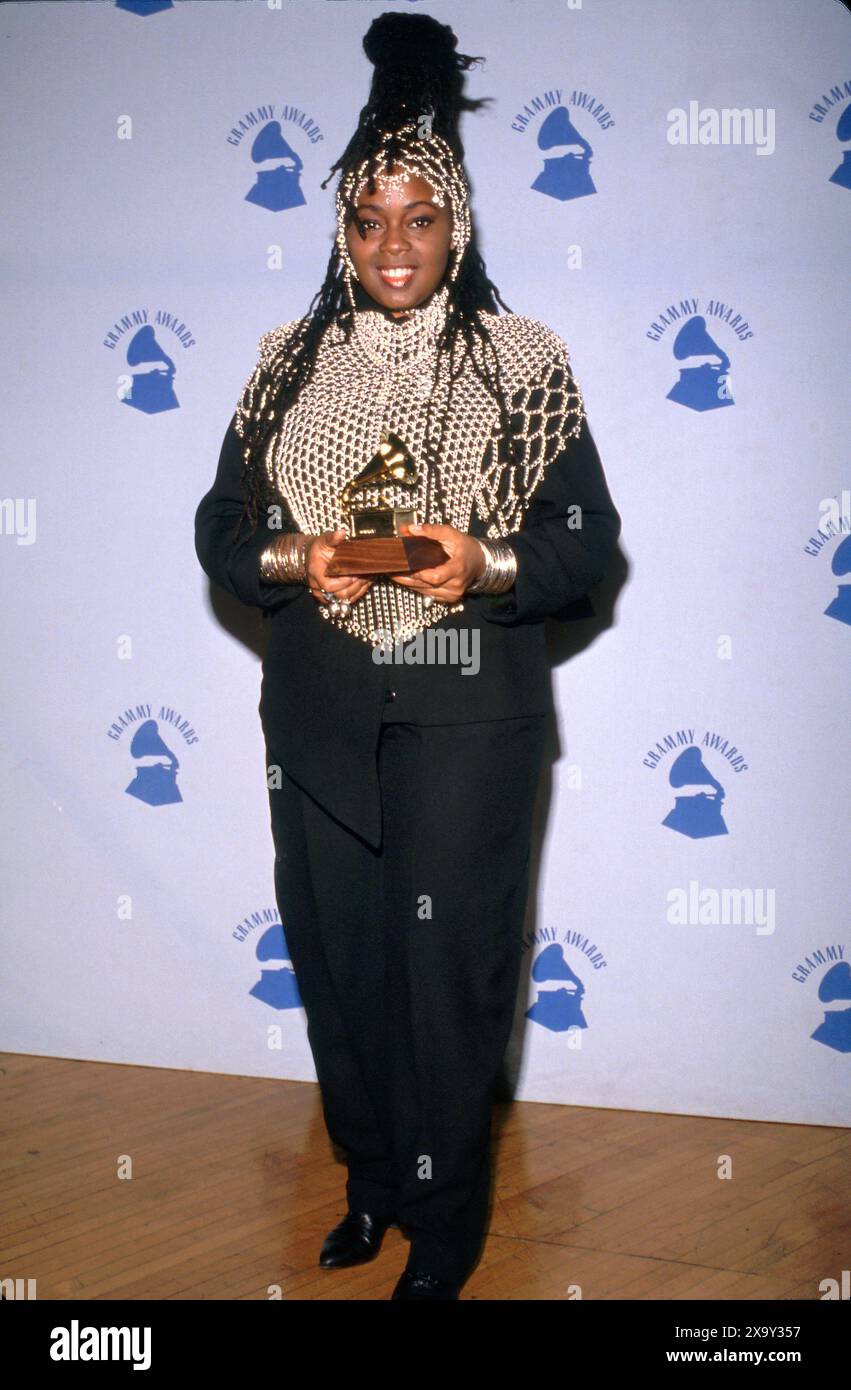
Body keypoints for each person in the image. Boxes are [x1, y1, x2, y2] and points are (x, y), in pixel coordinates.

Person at [194, 11, 621, 1300]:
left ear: (459, 228)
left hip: (466, 725)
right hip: (320, 717)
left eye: (420, 219)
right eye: (371, 220)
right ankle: (371, 1186)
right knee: (341, 963)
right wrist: (296, 558)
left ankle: (445, 1228)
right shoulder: (283, 367)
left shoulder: (523, 362)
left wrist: (484, 562)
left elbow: (586, 546)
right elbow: (223, 529)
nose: (395, 245)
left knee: (447, 974)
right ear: (342, 229)